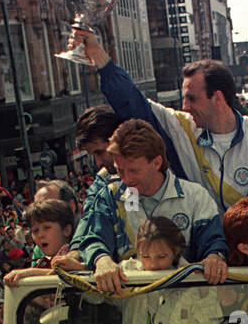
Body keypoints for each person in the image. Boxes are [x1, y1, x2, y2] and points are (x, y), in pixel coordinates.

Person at [79, 29, 248, 214]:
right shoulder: (182, 127)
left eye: (192, 98)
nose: (184, 106)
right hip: (207, 253)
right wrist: (100, 58)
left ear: (218, 97)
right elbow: (131, 102)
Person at [75, 119, 229, 295]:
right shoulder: (109, 196)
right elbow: (93, 239)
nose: (126, 179)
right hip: (133, 308)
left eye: (133, 170)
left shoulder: (195, 196)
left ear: (156, 162)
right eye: (120, 171)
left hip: (186, 309)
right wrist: (101, 260)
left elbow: (213, 241)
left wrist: (214, 257)